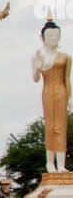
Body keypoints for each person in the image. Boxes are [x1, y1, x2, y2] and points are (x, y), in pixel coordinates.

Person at [32, 19, 71, 172]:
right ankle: (50, 163)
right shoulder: (38, 56)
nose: (53, 39)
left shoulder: (66, 57)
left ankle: (61, 164)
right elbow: (35, 78)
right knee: (50, 125)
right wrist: (38, 66)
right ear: (43, 38)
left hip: (61, 92)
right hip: (48, 91)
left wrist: (70, 99)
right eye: (50, 36)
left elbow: (67, 79)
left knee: (61, 126)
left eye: (56, 36)